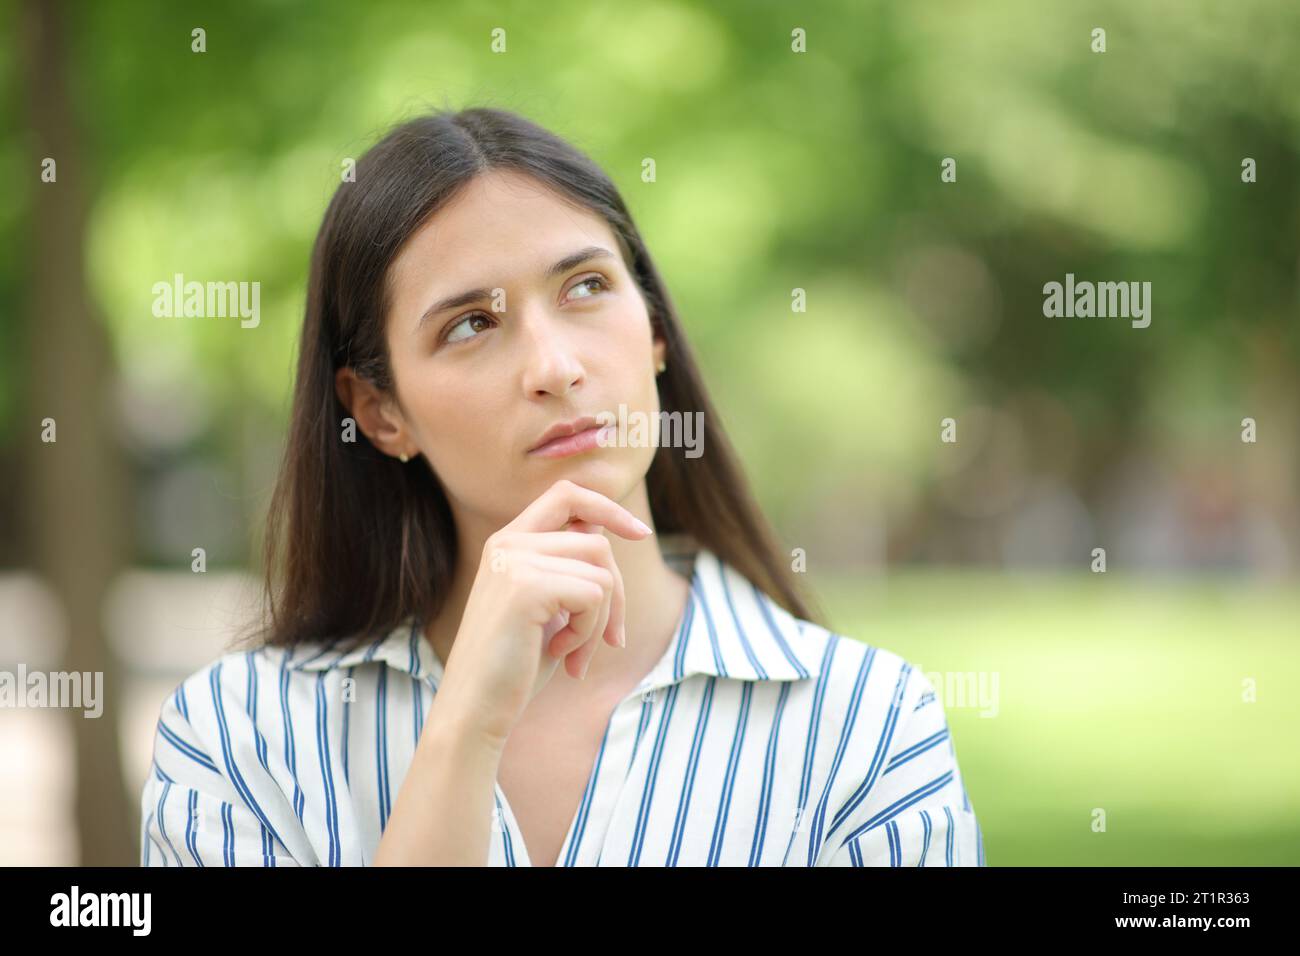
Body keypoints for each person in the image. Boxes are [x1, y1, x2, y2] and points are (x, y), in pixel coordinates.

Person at [139, 107, 985, 867]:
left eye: (585, 287)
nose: (554, 366)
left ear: (653, 326)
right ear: (381, 410)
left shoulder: (866, 728)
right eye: (471, 324)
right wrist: (465, 726)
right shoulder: (242, 743)